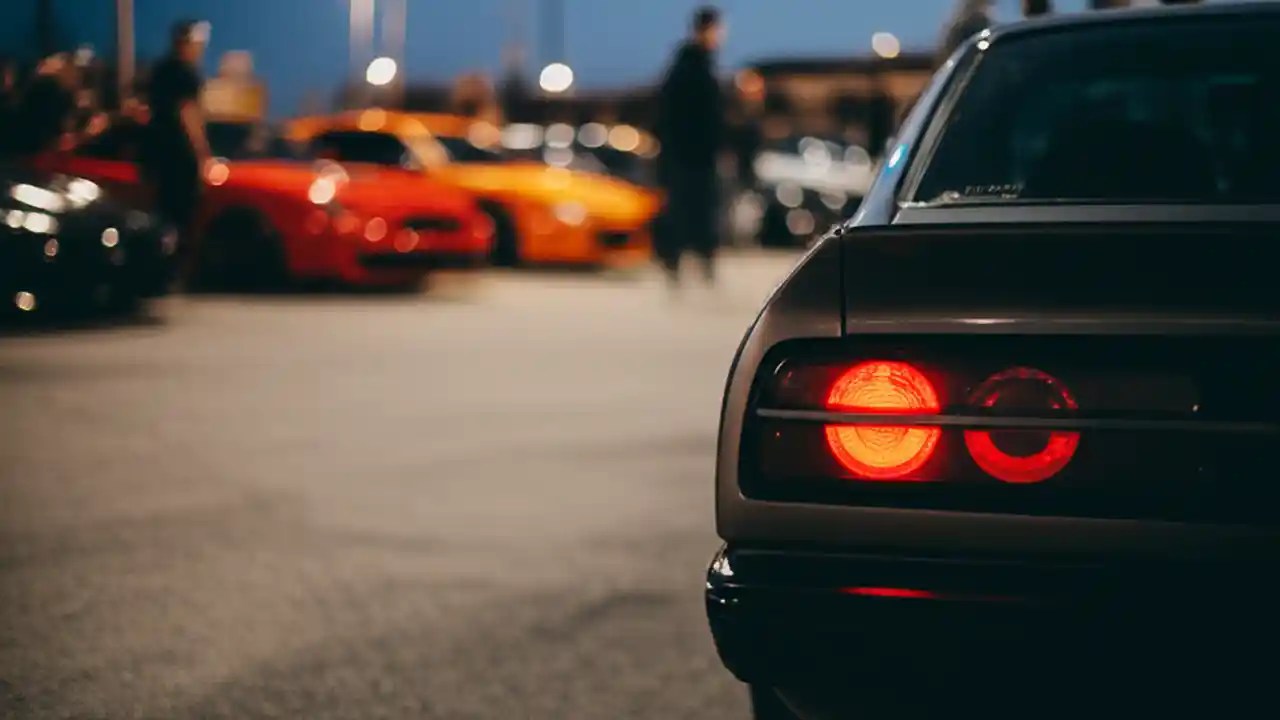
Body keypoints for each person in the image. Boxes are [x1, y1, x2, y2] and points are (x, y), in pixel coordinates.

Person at [655, 6, 726, 290]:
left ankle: (691, 266)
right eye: (717, 30)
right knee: (690, 212)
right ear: (705, 30)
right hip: (690, 157)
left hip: (690, 155)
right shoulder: (692, 69)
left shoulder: (693, 66)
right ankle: (683, 267)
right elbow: (685, 116)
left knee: (693, 212)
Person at [142, 20, 212, 281]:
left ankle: (156, 267)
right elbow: (188, 114)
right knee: (181, 214)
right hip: (180, 155)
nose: (201, 49)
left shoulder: (160, 70)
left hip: (157, 154)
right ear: (186, 43)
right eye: (198, 43)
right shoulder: (185, 73)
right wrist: (203, 154)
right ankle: (174, 271)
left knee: (162, 212)